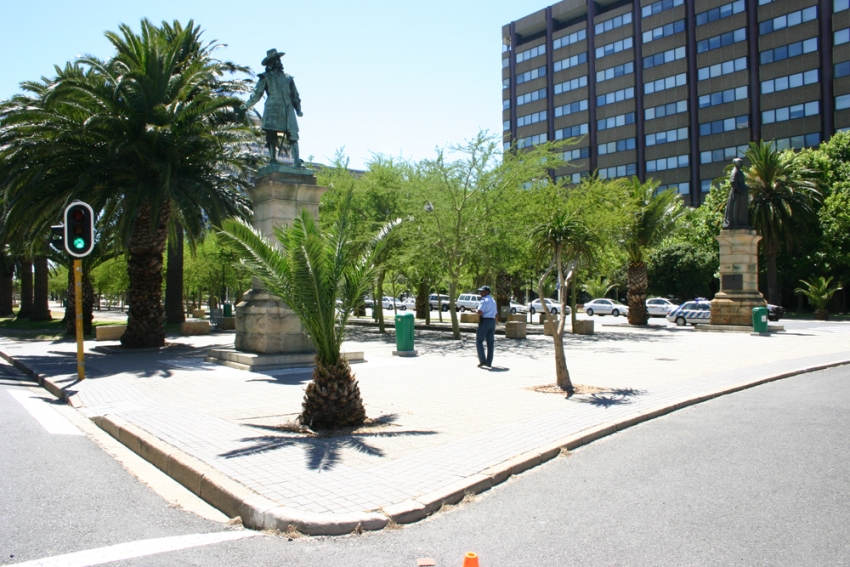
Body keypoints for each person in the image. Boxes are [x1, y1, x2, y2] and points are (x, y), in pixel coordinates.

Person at [242, 48, 304, 166]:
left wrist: (298, 109)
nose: (278, 62)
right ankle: (273, 160)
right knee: (271, 135)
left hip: (288, 110)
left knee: (293, 135)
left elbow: (295, 94)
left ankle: (296, 161)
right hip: (273, 110)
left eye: (278, 59)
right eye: (275, 60)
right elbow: (257, 94)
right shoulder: (265, 77)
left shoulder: (288, 77)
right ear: (270, 63)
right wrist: (246, 105)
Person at [476, 285, 497, 368]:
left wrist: (475, 310)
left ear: (487, 292)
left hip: (485, 321)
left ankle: (483, 360)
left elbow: (480, 312)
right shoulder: (493, 300)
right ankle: (489, 362)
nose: (481, 293)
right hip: (492, 321)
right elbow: (496, 314)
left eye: (482, 291)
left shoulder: (484, 300)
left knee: (479, 341)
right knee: (490, 342)